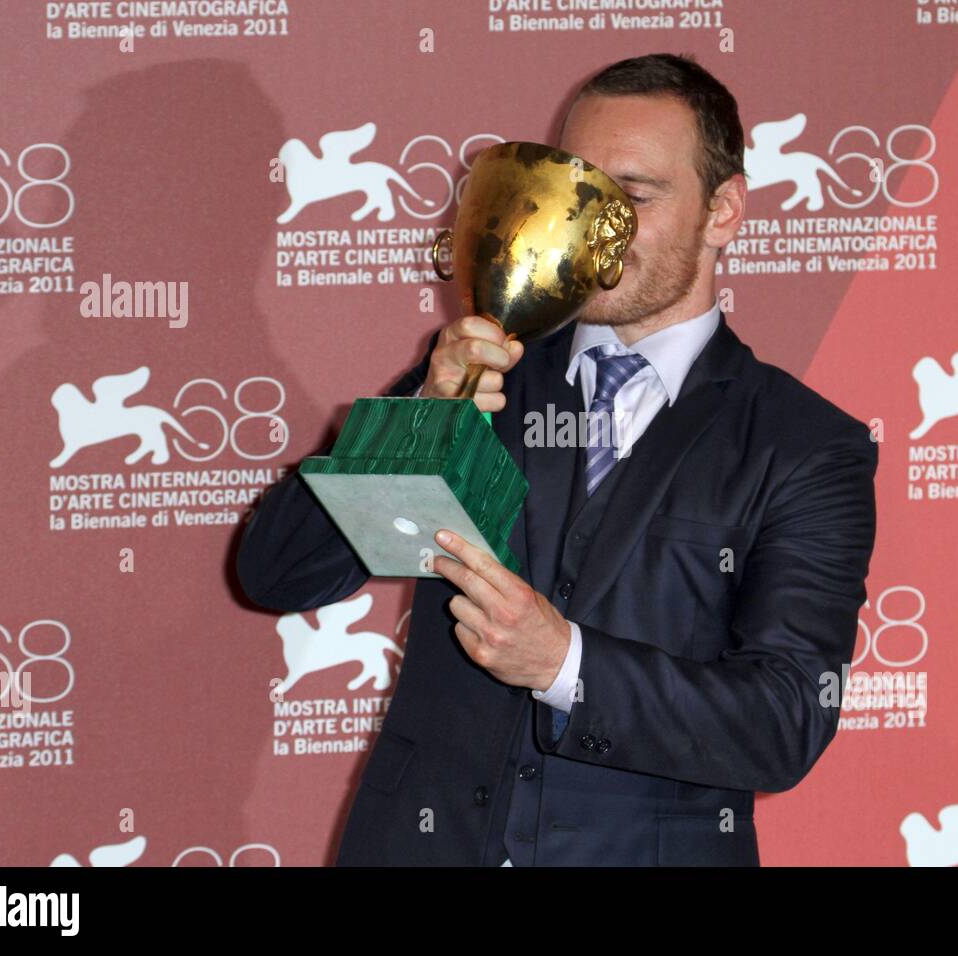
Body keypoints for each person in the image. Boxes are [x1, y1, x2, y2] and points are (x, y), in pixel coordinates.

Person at [236, 52, 878, 866]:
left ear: (723, 212)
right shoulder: (475, 374)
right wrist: (422, 422)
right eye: (579, 194)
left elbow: (784, 721)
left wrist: (566, 664)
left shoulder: (804, 445)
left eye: (634, 198)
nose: (593, 228)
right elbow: (278, 572)